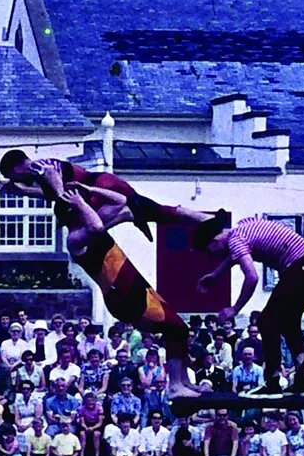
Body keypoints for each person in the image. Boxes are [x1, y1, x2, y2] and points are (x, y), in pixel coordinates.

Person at [40, 166, 208, 402]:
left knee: (179, 328)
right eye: (83, 206)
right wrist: (75, 200)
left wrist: (88, 188)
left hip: (136, 288)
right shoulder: (75, 239)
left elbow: (120, 200)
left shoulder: (92, 227)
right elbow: (96, 226)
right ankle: (175, 385)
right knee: (176, 329)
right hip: (124, 296)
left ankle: (183, 381)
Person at [195, 212, 304, 392]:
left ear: (215, 240)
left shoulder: (236, 240)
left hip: (300, 267)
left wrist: (235, 309)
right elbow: (234, 257)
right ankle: (303, 378)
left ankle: (272, 381)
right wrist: (216, 274)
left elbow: (252, 277)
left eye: (211, 251)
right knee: (289, 324)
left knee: (266, 321)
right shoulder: (241, 228)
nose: (214, 256)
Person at [0, 148, 206, 242]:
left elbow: (54, 179)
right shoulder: (40, 169)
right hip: (103, 184)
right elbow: (53, 191)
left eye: (13, 177)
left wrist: (64, 199)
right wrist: (25, 192)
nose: (17, 180)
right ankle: (206, 219)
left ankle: (124, 216)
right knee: (156, 210)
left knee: (90, 227)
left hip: (97, 186)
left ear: (17, 168)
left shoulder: (38, 167)